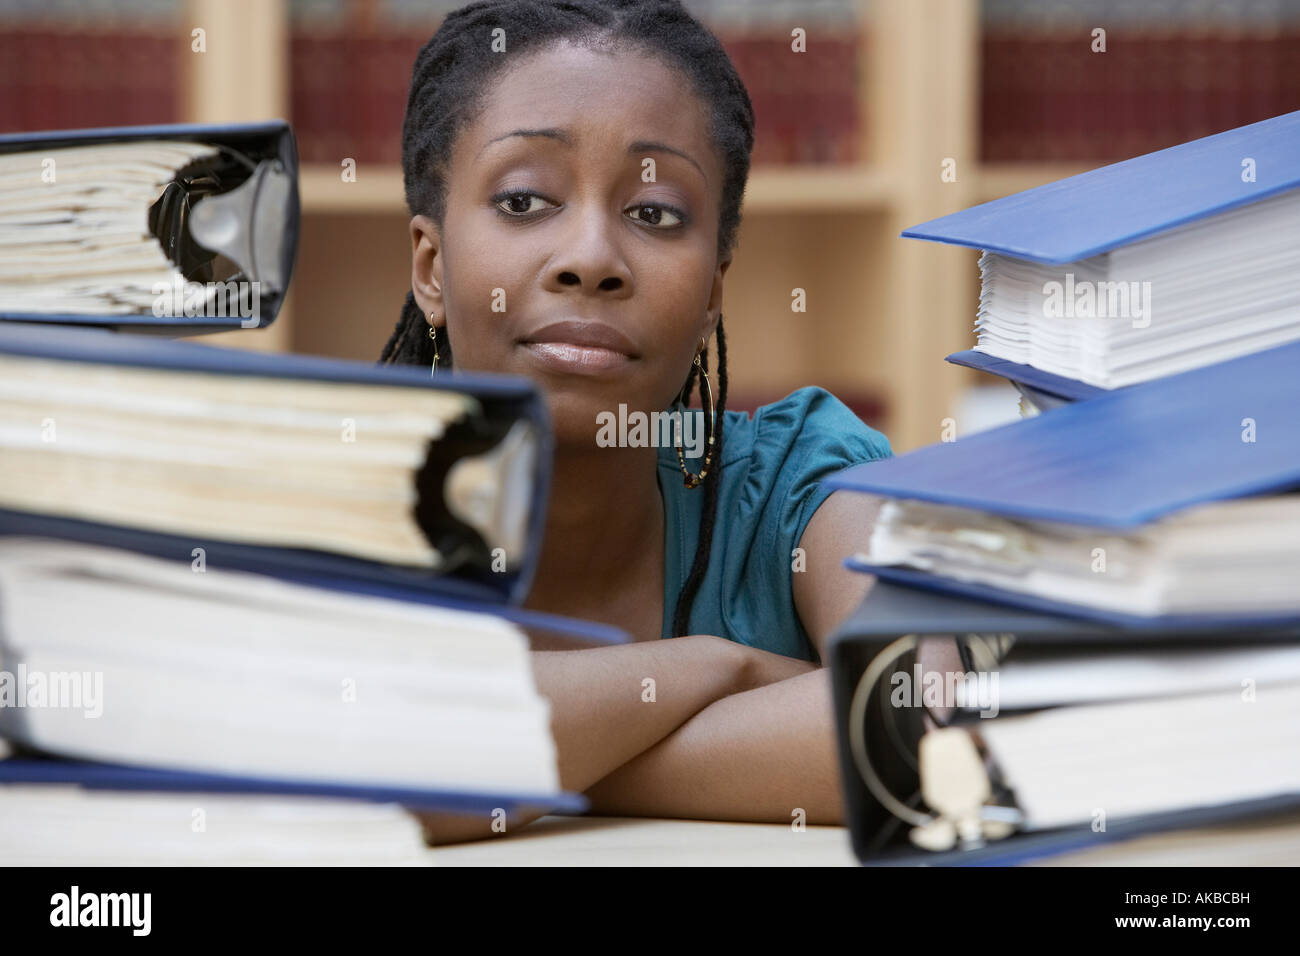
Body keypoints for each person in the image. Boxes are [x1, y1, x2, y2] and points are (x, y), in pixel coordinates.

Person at [379, 0, 906, 845]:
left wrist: (521, 760)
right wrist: (717, 668)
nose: (590, 258)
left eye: (655, 212)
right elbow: (340, 763)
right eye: (523, 201)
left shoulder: (799, 479)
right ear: (431, 267)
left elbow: (916, 724)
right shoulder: (320, 503)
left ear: (711, 297)